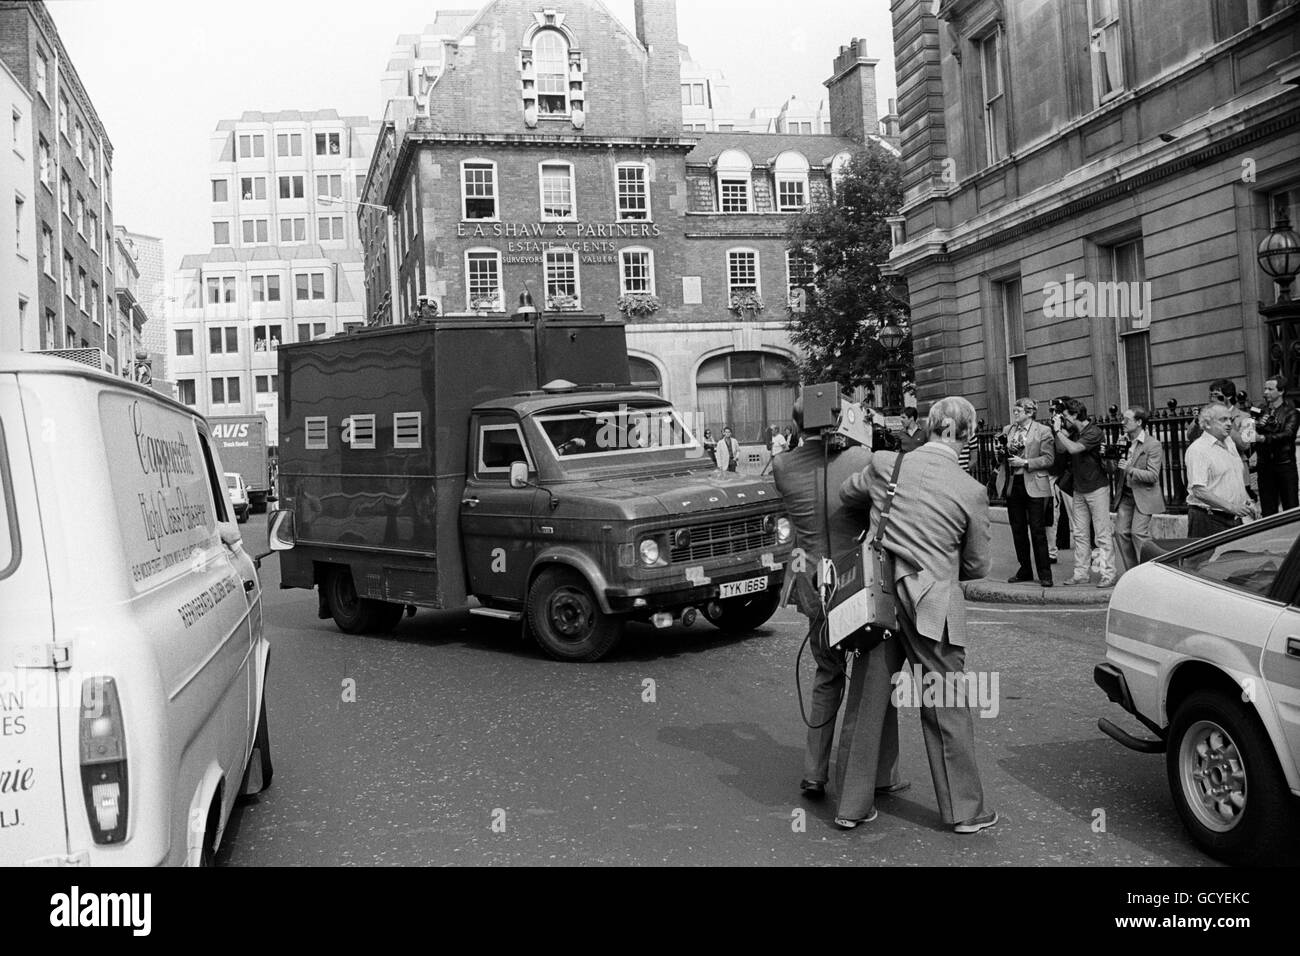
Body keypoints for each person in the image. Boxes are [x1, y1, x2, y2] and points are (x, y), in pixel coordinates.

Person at [840, 396, 997, 834]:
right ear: (961, 435)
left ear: (929, 427)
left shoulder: (886, 464)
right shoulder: (971, 490)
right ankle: (964, 812)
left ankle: (850, 806)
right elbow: (978, 566)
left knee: (868, 701)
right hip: (933, 607)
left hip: (881, 599)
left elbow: (846, 493)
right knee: (945, 705)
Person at [772, 400, 901, 819]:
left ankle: (814, 772)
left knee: (827, 675)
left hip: (813, 582)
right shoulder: (861, 458)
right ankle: (875, 776)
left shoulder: (782, 465)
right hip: (856, 581)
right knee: (870, 681)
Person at [1052, 399, 1115, 587]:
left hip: (1096, 488)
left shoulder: (1093, 432)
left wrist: (1057, 430)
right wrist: (1061, 431)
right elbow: (1061, 448)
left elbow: (1073, 448)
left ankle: (1108, 573)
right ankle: (1080, 573)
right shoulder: (1074, 431)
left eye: (1065, 417)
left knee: (1102, 534)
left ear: (1075, 415)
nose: (1064, 420)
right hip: (1079, 488)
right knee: (1079, 534)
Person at [1000, 398, 1055, 587]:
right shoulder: (1008, 431)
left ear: (1030, 412)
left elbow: (1048, 459)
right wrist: (1001, 451)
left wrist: (1025, 463)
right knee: (1018, 529)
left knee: (1038, 530)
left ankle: (1045, 573)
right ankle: (1025, 568)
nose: (1015, 414)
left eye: (1018, 411)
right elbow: (1002, 457)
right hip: (1013, 482)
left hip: (1034, 483)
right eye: (1014, 411)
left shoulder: (1043, 431)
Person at [1186, 403, 1255, 537]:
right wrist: (1233, 507)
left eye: (1230, 419)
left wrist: (1247, 502)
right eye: (1223, 420)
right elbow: (1199, 490)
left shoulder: (1229, 442)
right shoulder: (1198, 449)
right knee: (1205, 558)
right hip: (1208, 519)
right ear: (1207, 424)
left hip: (1233, 519)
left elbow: (1234, 479)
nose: (1229, 424)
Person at [1113, 407, 1165, 577]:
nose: (1122, 422)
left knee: (1138, 533)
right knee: (1120, 532)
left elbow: (1153, 475)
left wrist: (1130, 469)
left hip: (1144, 494)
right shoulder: (1123, 441)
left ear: (1139, 422)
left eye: (1127, 420)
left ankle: (1153, 572)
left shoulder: (1152, 444)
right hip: (1126, 494)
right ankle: (1133, 573)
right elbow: (1115, 469)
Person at [1252, 375, 1299, 516]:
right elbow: (1249, 429)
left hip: (1284, 464)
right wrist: (1254, 425)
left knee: (1290, 507)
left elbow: (1288, 435)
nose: (1265, 392)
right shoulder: (1259, 410)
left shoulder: (1291, 412)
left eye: (1270, 389)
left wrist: (1263, 438)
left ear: (1281, 391)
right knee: (1267, 508)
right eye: (1265, 388)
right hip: (1265, 465)